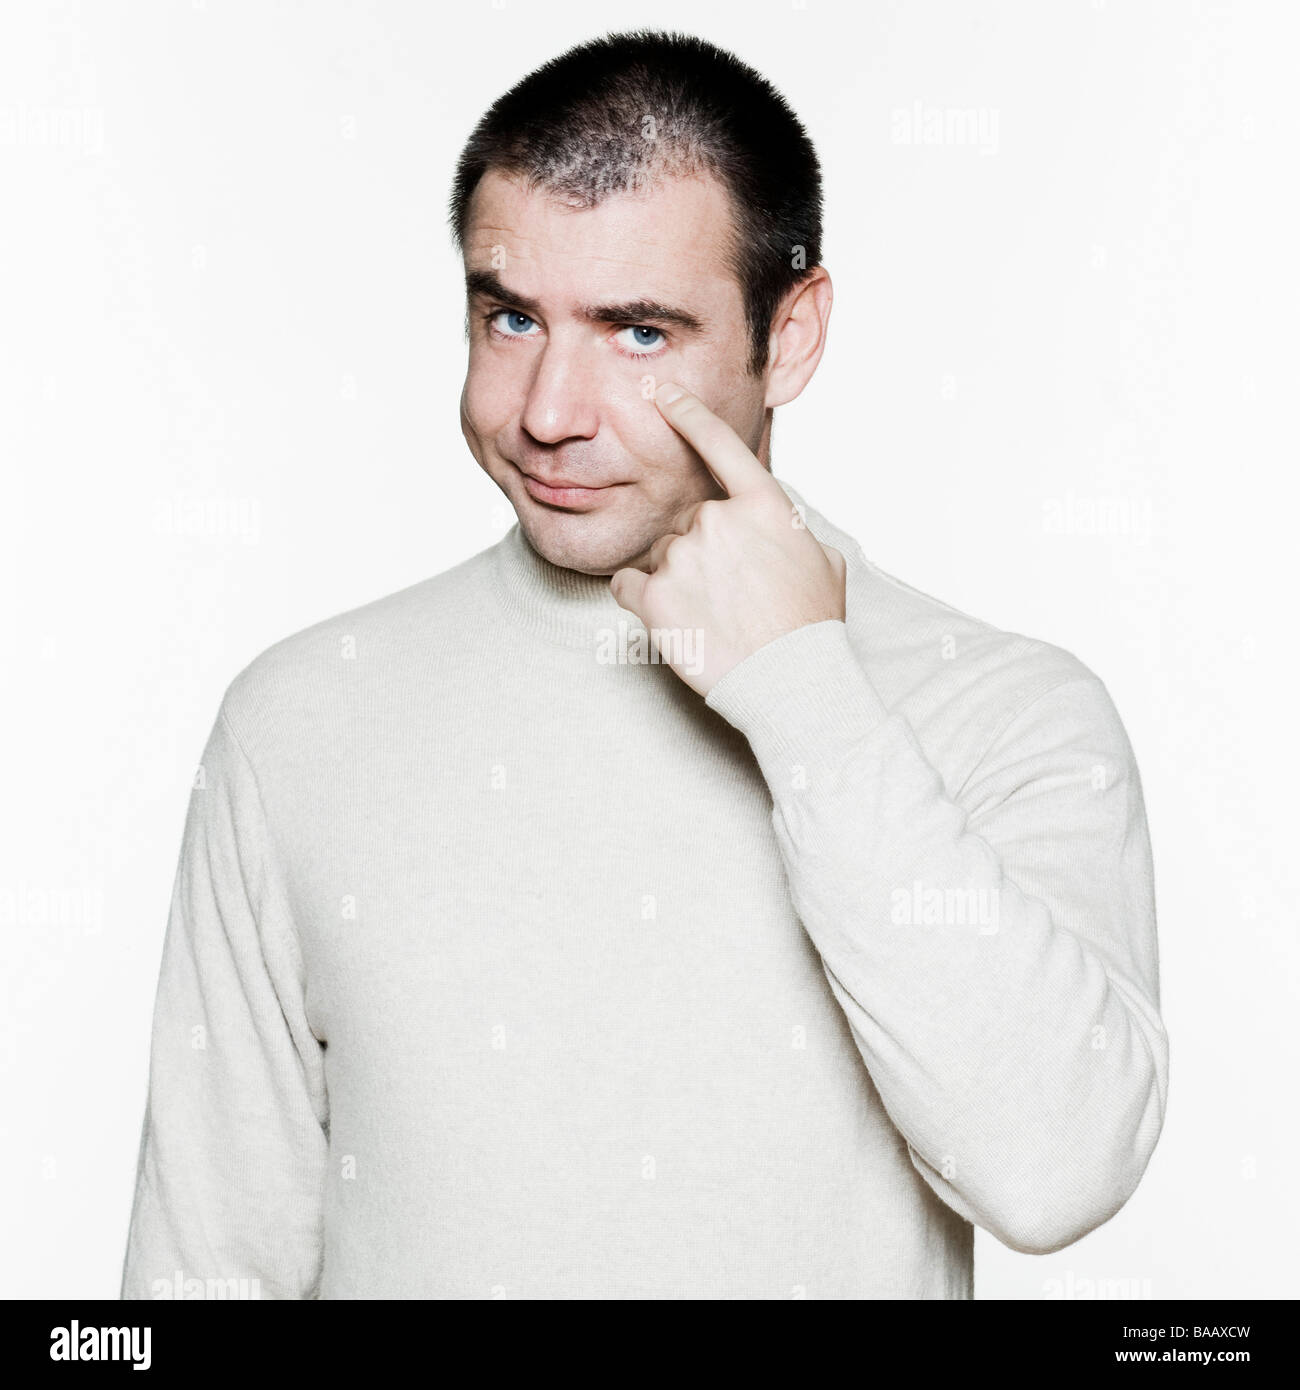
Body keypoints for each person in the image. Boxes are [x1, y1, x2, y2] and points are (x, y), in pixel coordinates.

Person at [121, 30, 1168, 1300]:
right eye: (509, 317)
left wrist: (804, 690)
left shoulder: (1001, 712)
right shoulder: (298, 720)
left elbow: (1054, 1168)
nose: (548, 411)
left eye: (635, 332)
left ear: (789, 337)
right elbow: (201, 1273)